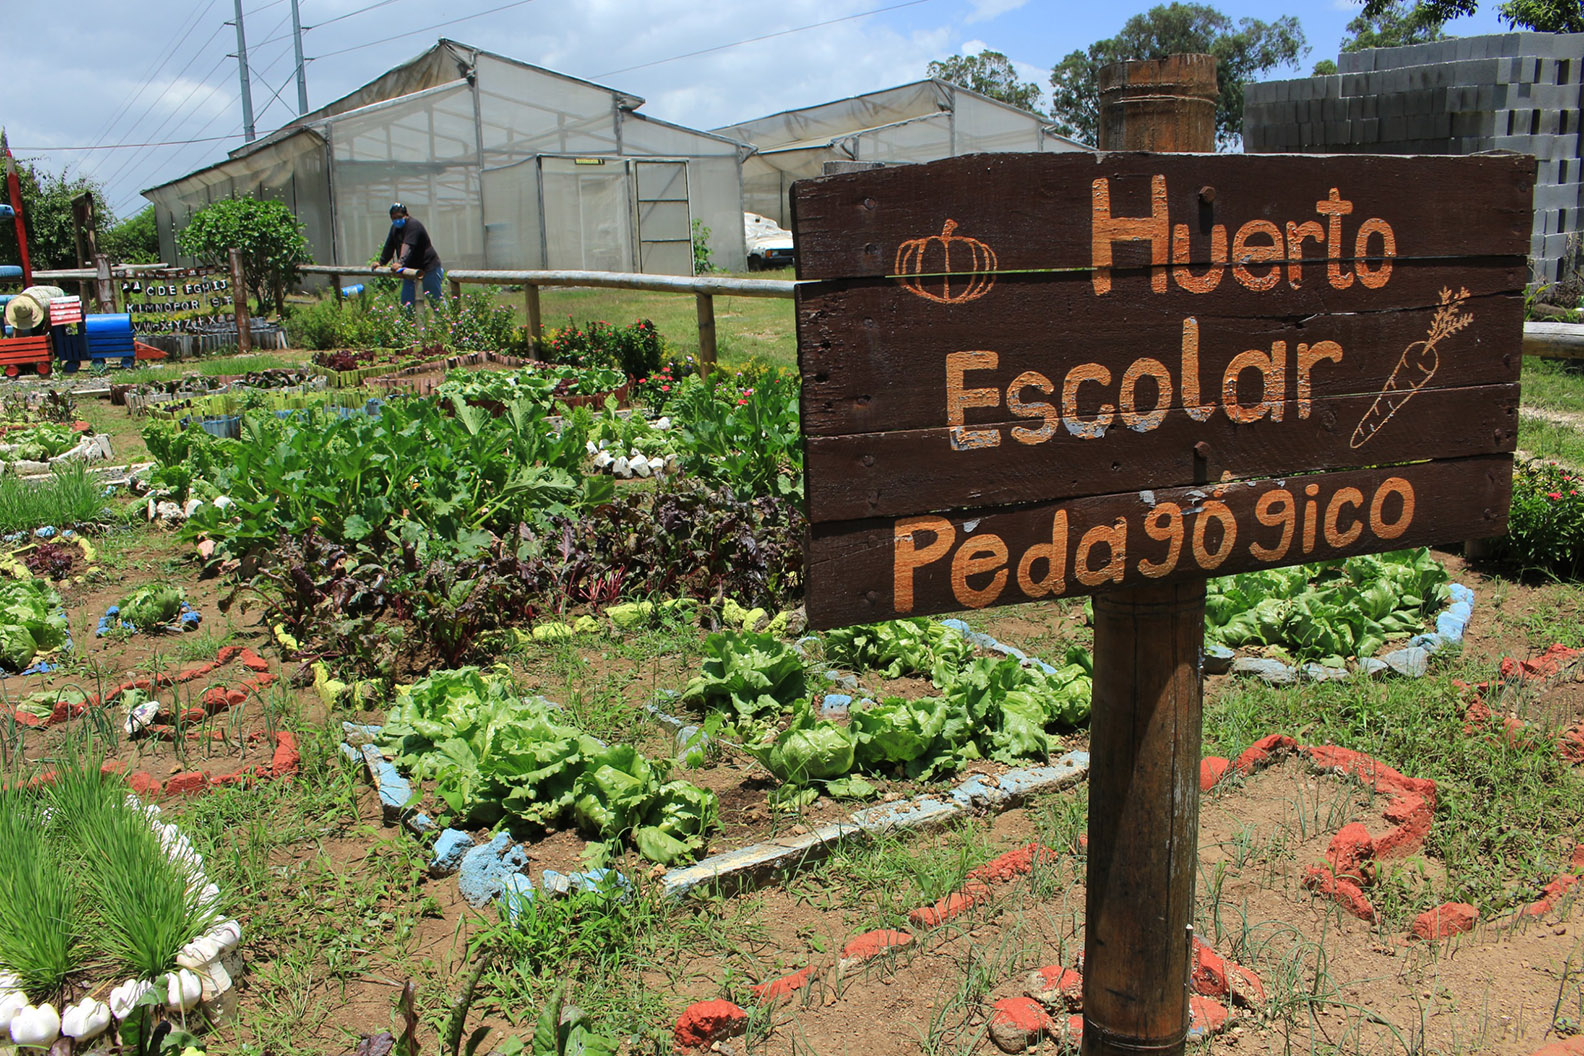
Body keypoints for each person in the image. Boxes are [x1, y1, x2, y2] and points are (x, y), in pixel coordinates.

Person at [377, 202, 444, 309]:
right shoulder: (395, 229)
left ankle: (446, 323)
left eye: (399, 217)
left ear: (406, 215)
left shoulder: (413, 225)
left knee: (436, 303)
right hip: (410, 271)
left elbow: (408, 246)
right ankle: (409, 325)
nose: (396, 220)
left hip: (428, 269)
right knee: (407, 305)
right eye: (393, 218)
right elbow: (389, 246)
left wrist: (400, 263)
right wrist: (381, 262)